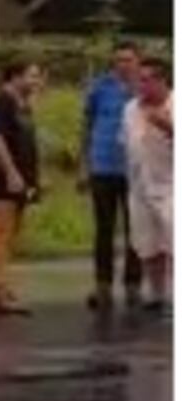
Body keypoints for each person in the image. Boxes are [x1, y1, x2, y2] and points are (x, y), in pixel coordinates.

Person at [0, 61, 44, 316]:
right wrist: (11, 172)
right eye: (32, 76)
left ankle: (0, 286)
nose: (38, 81)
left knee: (9, 236)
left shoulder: (23, 106)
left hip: (21, 183)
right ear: (15, 77)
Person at [79, 41, 142, 310]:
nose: (123, 65)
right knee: (103, 229)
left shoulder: (146, 88)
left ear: (138, 62)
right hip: (103, 166)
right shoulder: (101, 87)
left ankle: (133, 285)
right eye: (118, 60)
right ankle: (102, 285)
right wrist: (84, 165)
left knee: (136, 230)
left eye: (128, 60)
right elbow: (87, 125)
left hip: (136, 169)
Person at [121, 56, 172, 314]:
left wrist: (167, 126)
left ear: (161, 81)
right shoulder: (130, 108)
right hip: (140, 184)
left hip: (172, 184)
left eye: (145, 80)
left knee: (174, 240)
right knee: (147, 243)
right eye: (138, 80)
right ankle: (157, 294)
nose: (140, 85)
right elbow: (128, 143)